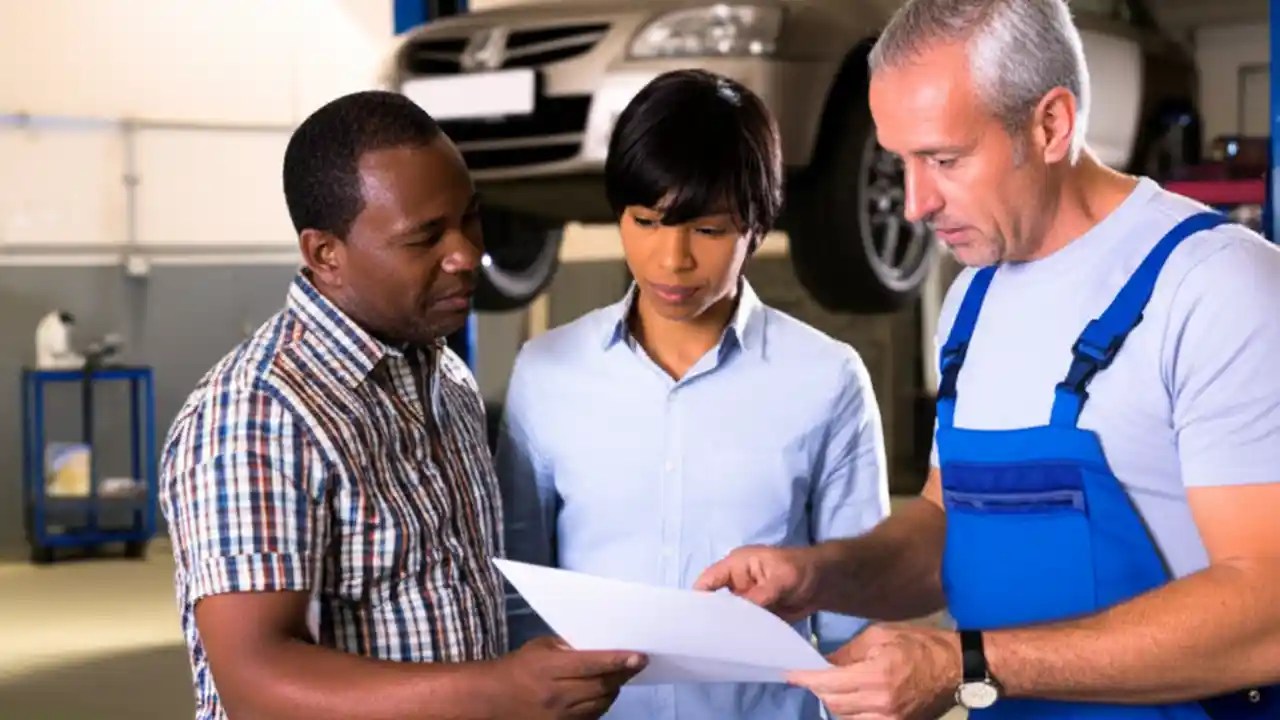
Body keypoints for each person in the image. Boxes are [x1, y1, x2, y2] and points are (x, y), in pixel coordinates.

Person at [695, 1, 1280, 718]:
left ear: (1052, 124)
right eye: (898, 161)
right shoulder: (972, 300)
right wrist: (818, 576)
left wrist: (967, 662)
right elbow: (947, 529)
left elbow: (1268, 612)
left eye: (944, 159)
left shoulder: (1215, 286)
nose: (913, 203)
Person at [160, 90, 646, 720]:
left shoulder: (444, 377)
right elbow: (254, 682)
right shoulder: (257, 416)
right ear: (325, 255)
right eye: (425, 239)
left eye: (469, 218)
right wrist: (502, 691)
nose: (467, 253)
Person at [495, 69, 891, 720]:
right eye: (646, 221)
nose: (670, 260)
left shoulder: (827, 379)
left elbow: (859, 612)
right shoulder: (546, 372)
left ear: (757, 226)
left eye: (706, 230)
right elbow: (518, 595)